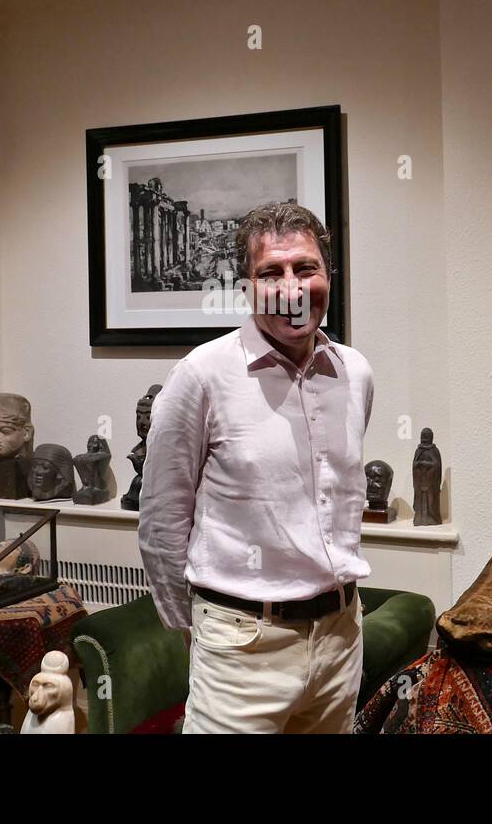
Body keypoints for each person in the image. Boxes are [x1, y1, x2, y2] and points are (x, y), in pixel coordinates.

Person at [139, 201, 374, 733]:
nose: (291, 286)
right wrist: (200, 630)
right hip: (241, 648)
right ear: (246, 287)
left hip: (340, 638)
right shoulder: (201, 375)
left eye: (305, 268)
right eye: (271, 272)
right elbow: (161, 520)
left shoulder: (354, 373)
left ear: (327, 276)